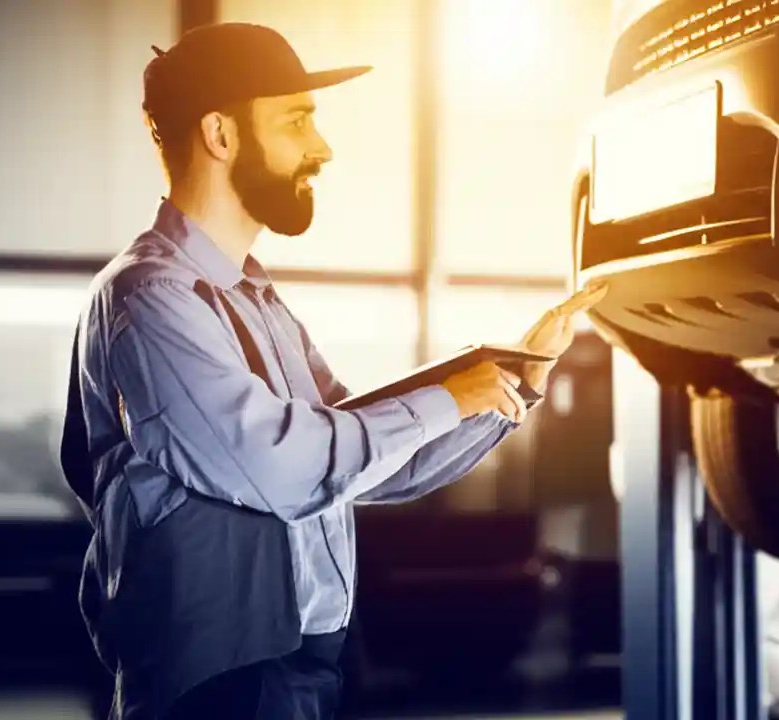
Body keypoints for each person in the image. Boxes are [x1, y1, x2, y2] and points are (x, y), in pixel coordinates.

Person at [57, 22, 607, 720]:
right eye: (296, 121)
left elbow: (371, 460)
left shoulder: (253, 300)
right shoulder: (151, 299)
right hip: (218, 683)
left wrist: (516, 376)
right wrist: (445, 397)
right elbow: (282, 467)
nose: (322, 148)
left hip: (299, 670)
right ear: (221, 135)